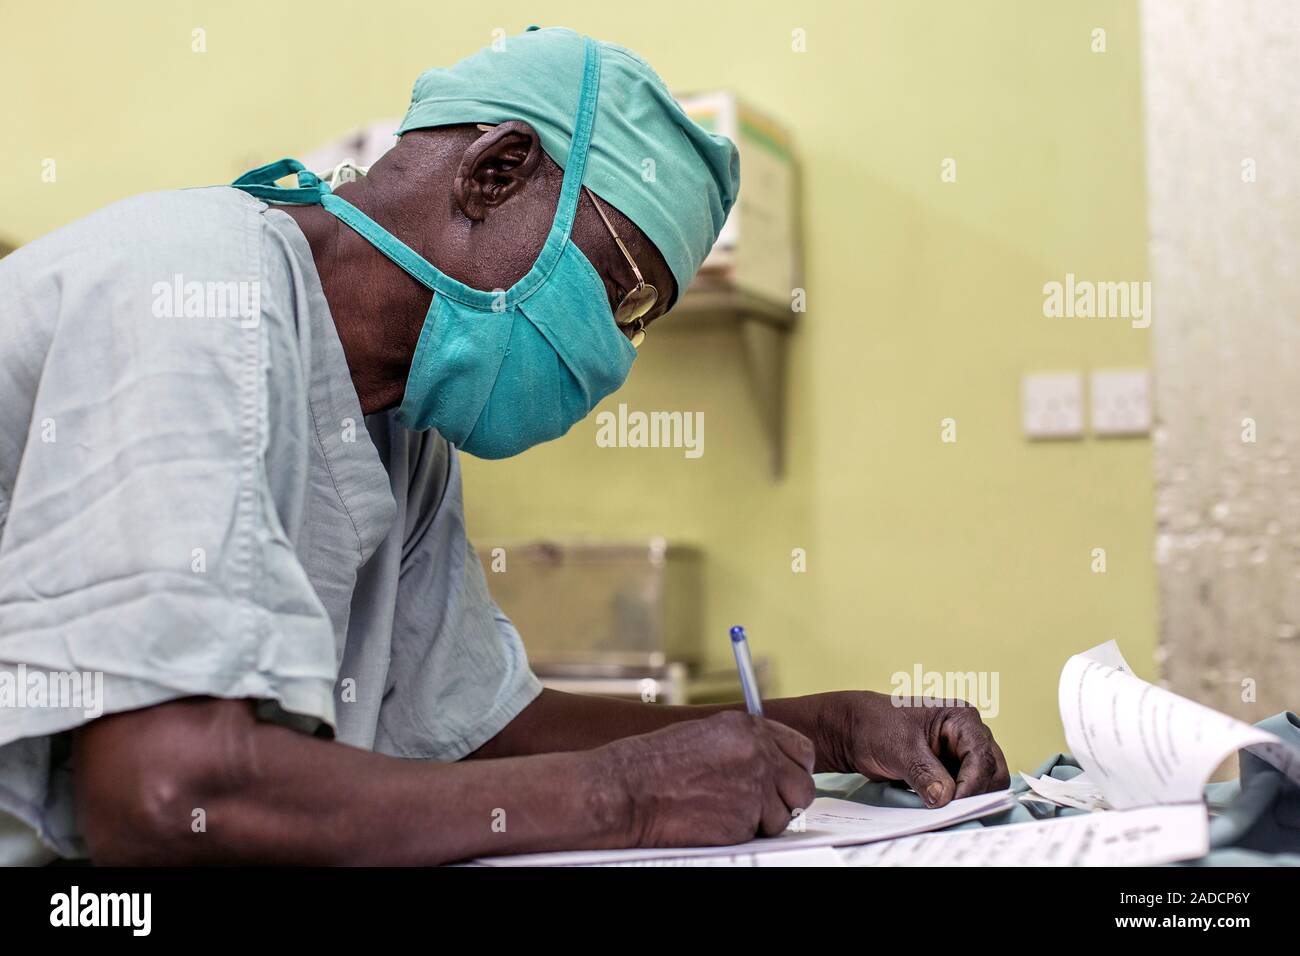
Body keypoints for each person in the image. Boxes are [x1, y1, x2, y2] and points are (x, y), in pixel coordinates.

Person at [0, 27, 1008, 865]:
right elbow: (168, 789)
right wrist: (627, 797)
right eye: (620, 296)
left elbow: (481, 728)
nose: (613, 355)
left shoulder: (396, 424)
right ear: (496, 170)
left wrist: (822, 727)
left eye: (640, 322)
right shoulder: (193, 293)